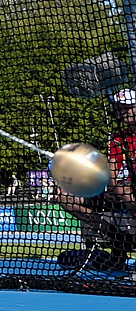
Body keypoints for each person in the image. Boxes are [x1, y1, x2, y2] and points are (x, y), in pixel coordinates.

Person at [55, 89, 136, 272]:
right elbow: (113, 168)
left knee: (126, 192)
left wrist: (122, 188)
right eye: (119, 109)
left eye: (127, 108)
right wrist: (111, 188)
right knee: (65, 196)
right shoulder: (118, 139)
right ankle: (114, 237)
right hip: (121, 192)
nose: (123, 112)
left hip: (131, 192)